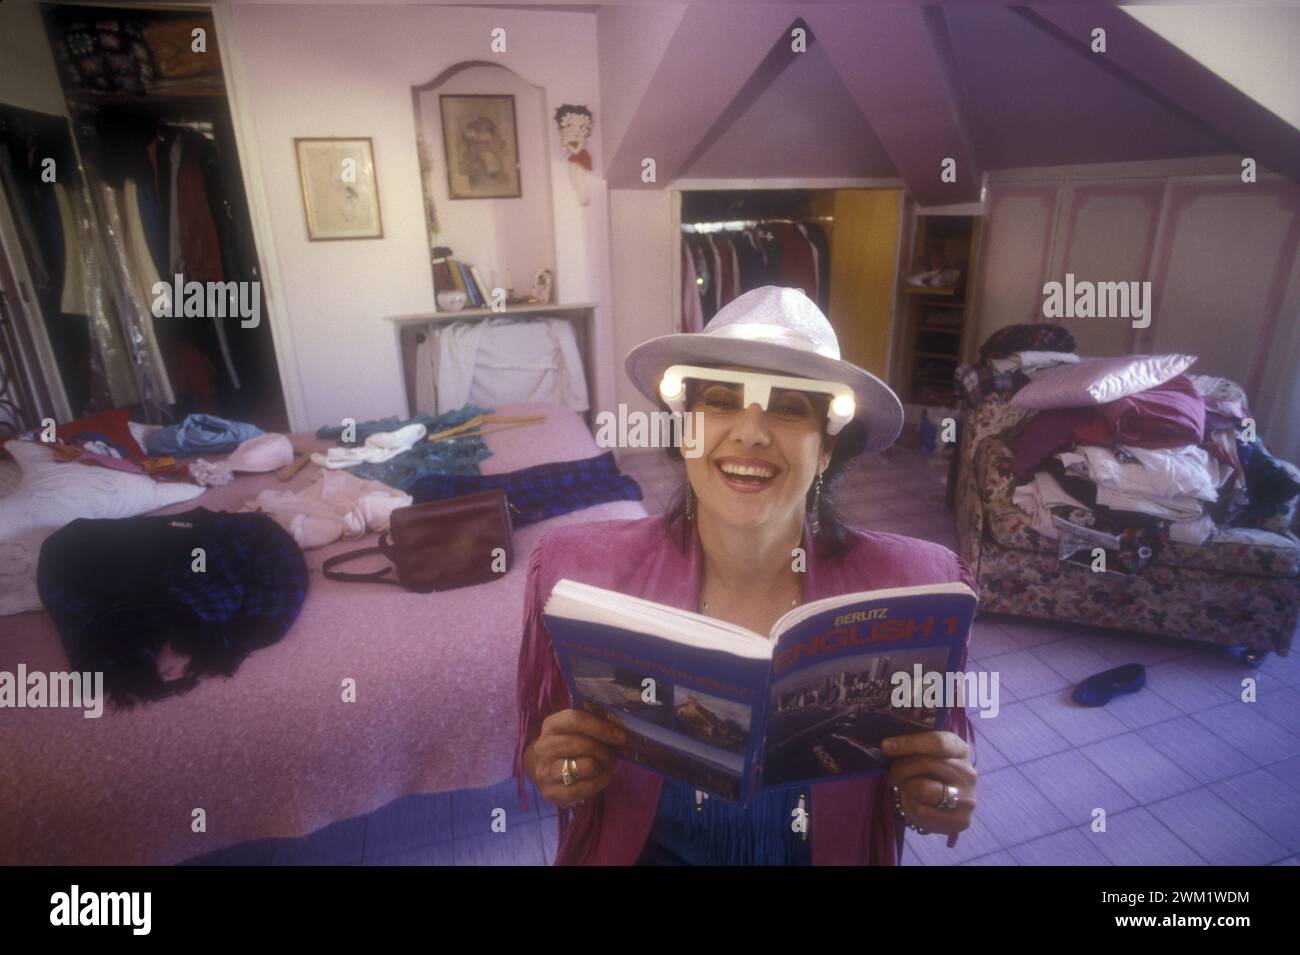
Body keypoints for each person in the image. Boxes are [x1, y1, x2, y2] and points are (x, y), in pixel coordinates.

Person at [515, 286, 978, 865]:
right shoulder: (583, 577)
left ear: (827, 449)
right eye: (721, 400)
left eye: (788, 407)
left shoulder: (915, 588)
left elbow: (923, 784)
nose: (751, 433)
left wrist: (931, 797)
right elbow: (554, 753)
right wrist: (560, 767)